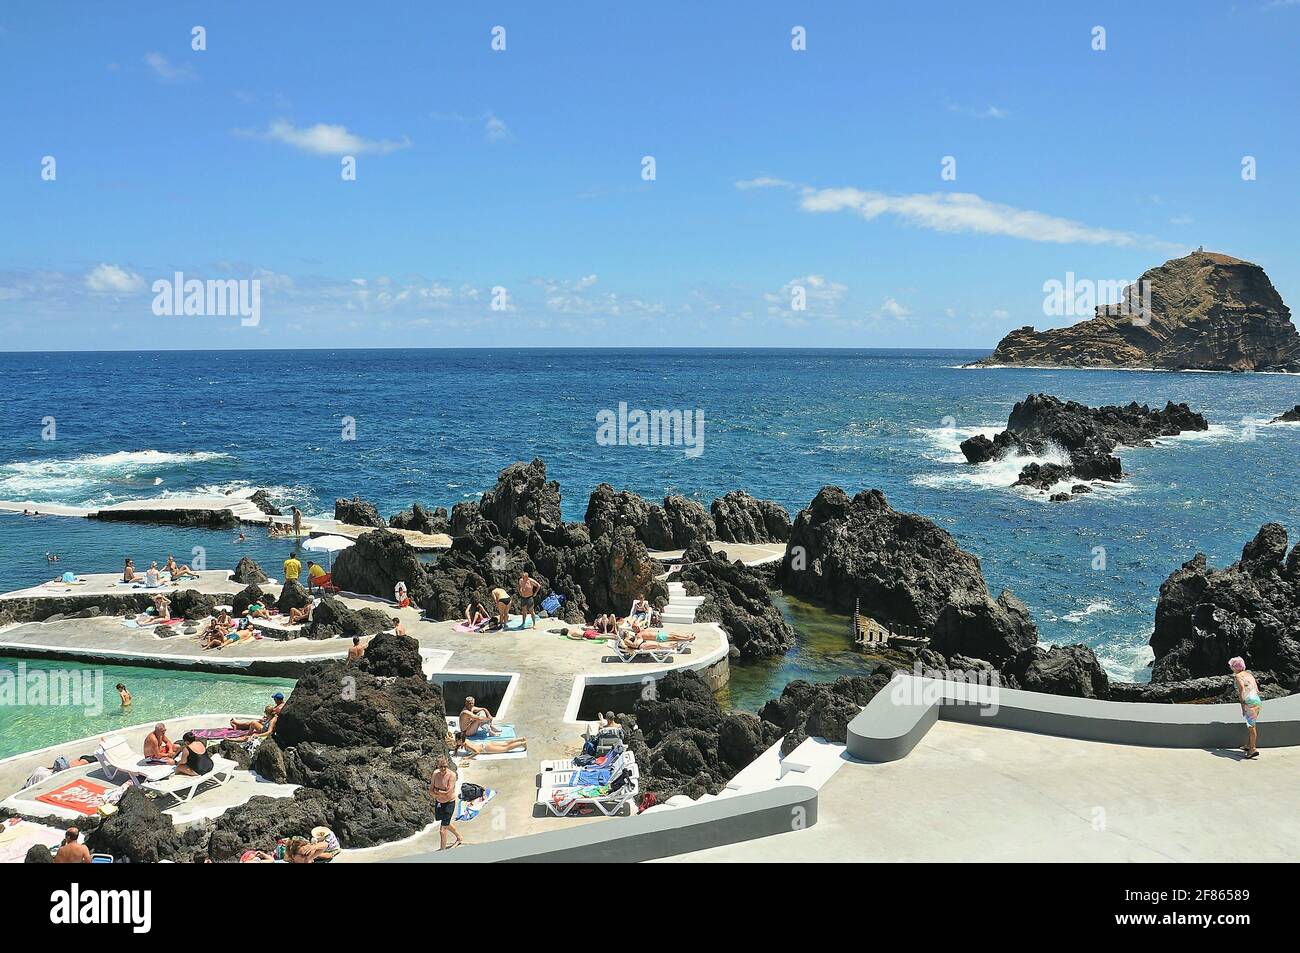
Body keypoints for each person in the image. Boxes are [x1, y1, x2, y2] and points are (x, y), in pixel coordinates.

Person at [1230, 656, 1263, 759]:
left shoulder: (1238, 676)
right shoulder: (1249, 675)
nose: (1231, 668)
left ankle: (1253, 749)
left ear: (1235, 667)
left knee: (1251, 727)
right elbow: (1257, 690)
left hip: (1249, 702)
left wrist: (1242, 704)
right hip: (1256, 700)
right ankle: (1248, 745)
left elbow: (1241, 689)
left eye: (1232, 666)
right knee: (1251, 724)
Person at [429, 755, 463, 850]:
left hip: (449, 803)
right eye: (441, 766)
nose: (443, 768)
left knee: (442, 830)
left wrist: (437, 791)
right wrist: (438, 793)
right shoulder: (435, 774)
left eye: (445, 766)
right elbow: (430, 790)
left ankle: (442, 851)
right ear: (437, 766)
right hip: (439, 803)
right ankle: (459, 837)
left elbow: (448, 793)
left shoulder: (452, 775)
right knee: (446, 823)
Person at [450, 730, 528, 759]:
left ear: (460, 740)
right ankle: (521, 739)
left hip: (486, 748)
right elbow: (456, 744)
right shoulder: (465, 740)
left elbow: (477, 752)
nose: (456, 742)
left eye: (457, 740)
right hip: (486, 744)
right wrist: (452, 741)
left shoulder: (466, 745)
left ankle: (522, 743)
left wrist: (468, 757)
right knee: (505, 743)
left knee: (506, 748)